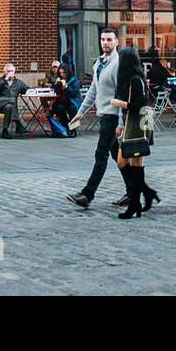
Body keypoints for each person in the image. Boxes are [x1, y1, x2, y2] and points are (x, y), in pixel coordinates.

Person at [66, 27, 122, 209]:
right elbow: (93, 91)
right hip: (103, 114)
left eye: (109, 39)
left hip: (112, 116)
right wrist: (81, 111)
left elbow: (122, 94)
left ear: (116, 42)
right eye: (102, 39)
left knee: (101, 154)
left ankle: (87, 194)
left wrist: (121, 122)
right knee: (118, 156)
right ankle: (136, 190)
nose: (105, 43)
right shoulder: (99, 63)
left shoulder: (118, 64)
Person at [109, 45, 159, 218]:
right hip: (131, 124)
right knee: (122, 162)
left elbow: (140, 104)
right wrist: (121, 124)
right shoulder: (130, 79)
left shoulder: (136, 80)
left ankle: (135, 205)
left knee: (136, 165)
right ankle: (146, 193)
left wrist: (119, 104)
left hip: (138, 125)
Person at [0, 63, 29, 139]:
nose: (10, 72)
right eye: (8, 71)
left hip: (9, 107)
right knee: (12, 100)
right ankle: (18, 124)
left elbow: (27, 89)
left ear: (14, 72)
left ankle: (5, 131)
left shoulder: (18, 83)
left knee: (9, 107)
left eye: (12, 71)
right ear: (4, 72)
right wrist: (5, 80)